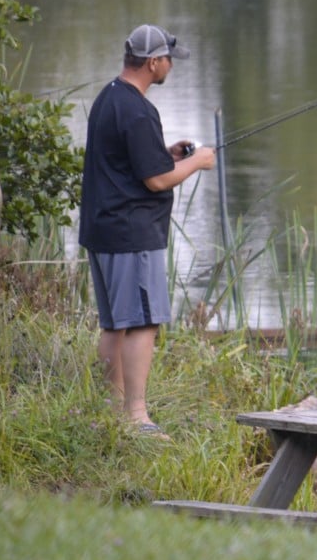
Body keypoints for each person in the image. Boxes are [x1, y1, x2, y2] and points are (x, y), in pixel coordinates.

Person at [79, 24, 216, 438]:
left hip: (103, 231)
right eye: (168, 60)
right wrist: (197, 162)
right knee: (142, 323)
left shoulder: (109, 97)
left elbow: (133, 162)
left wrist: (167, 153)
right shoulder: (139, 110)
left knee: (114, 323)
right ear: (153, 62)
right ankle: (136, 417)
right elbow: (156, 181)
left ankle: (110, 410)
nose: (171, 67)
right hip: (131, 235)